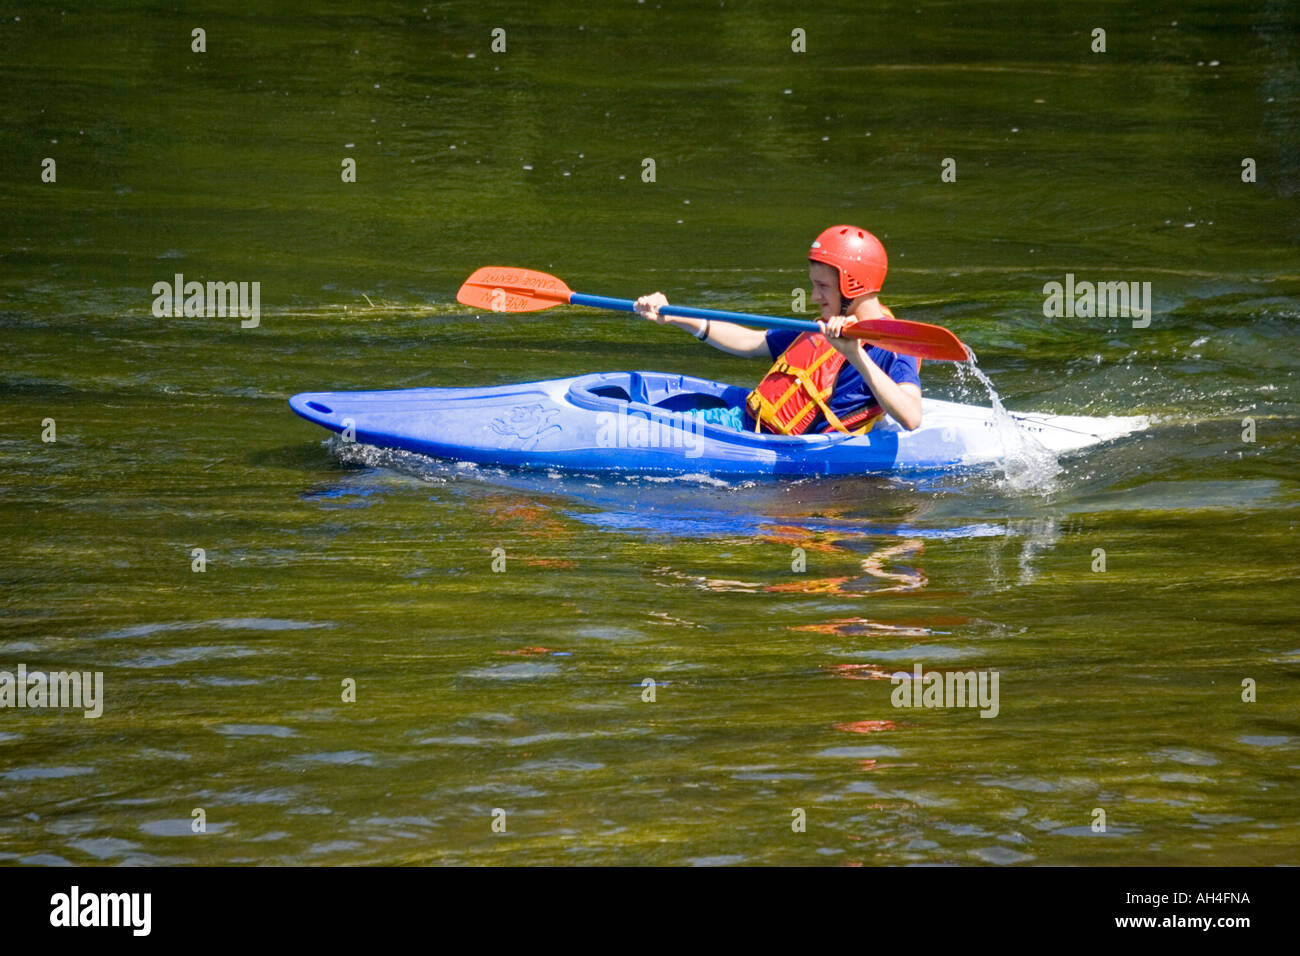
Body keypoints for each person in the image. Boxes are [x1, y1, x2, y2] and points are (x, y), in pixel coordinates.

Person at [634, 225, 922, 433]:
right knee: (644, 420)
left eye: (822, 287)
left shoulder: (892, 345)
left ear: (852, 287)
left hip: (774, 447)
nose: (814, 297)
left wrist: (855, 356)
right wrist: (673, 316)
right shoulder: (822, 329)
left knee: (644, 432)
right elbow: (749, 341)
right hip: (746, 425)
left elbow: (911, 417)